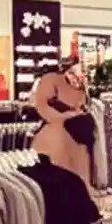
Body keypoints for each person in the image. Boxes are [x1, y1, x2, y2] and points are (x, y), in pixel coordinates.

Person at [31, 58, 93, 186]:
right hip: (56, 135)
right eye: (81, 70)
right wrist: (61, 118)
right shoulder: (51, 80)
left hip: (77, 134)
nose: (84, 74)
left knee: (79, 174)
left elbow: (83, 105)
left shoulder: (81, 86)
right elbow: (42, 104)